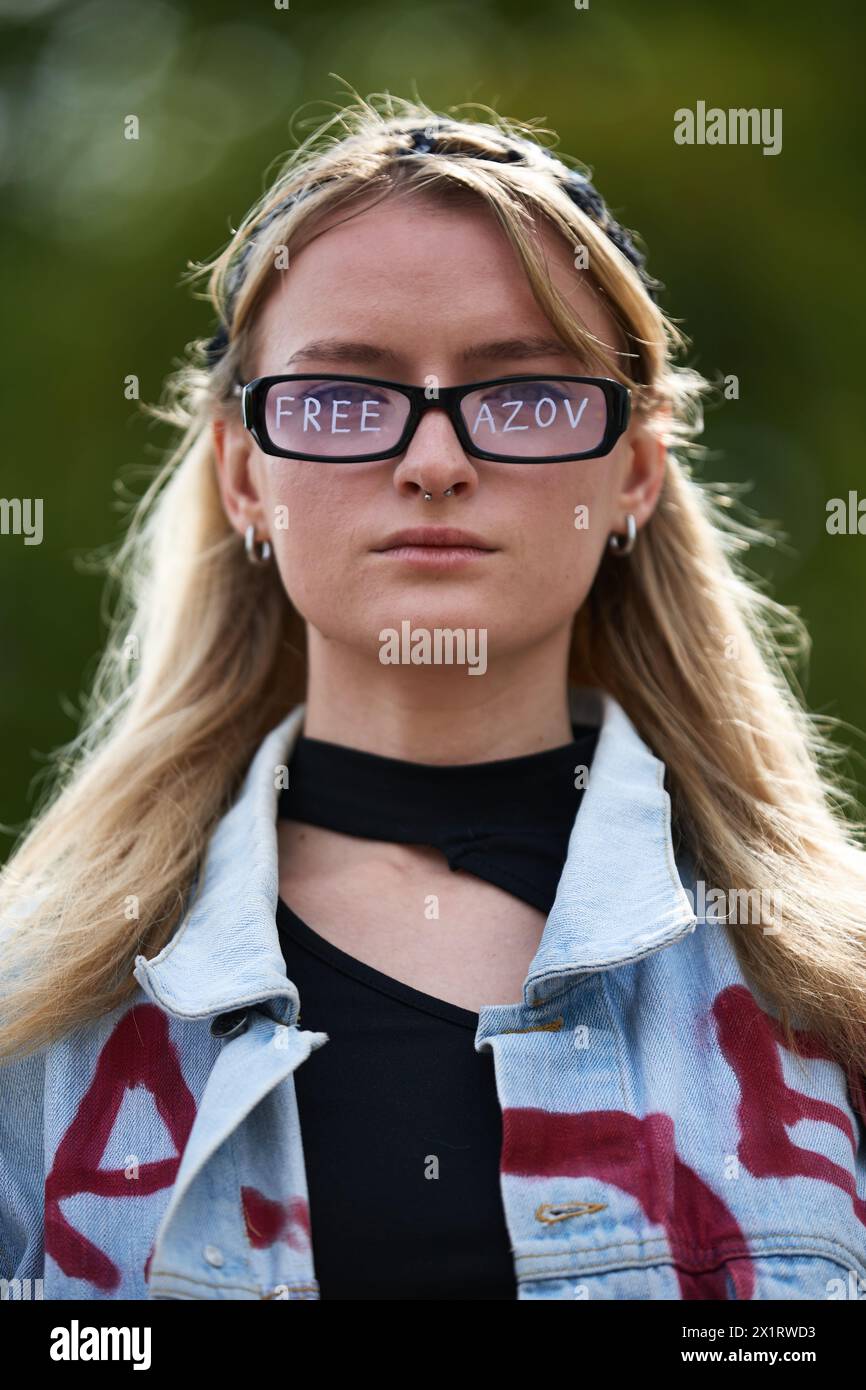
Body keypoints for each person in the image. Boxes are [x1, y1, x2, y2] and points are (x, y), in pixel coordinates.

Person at [1, 94, 865, 1302]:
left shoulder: (837, 986)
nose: (433, 459)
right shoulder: (31, 1007)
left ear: (631, 470)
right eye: (346, 397)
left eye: (518, 395)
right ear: (245, 473)